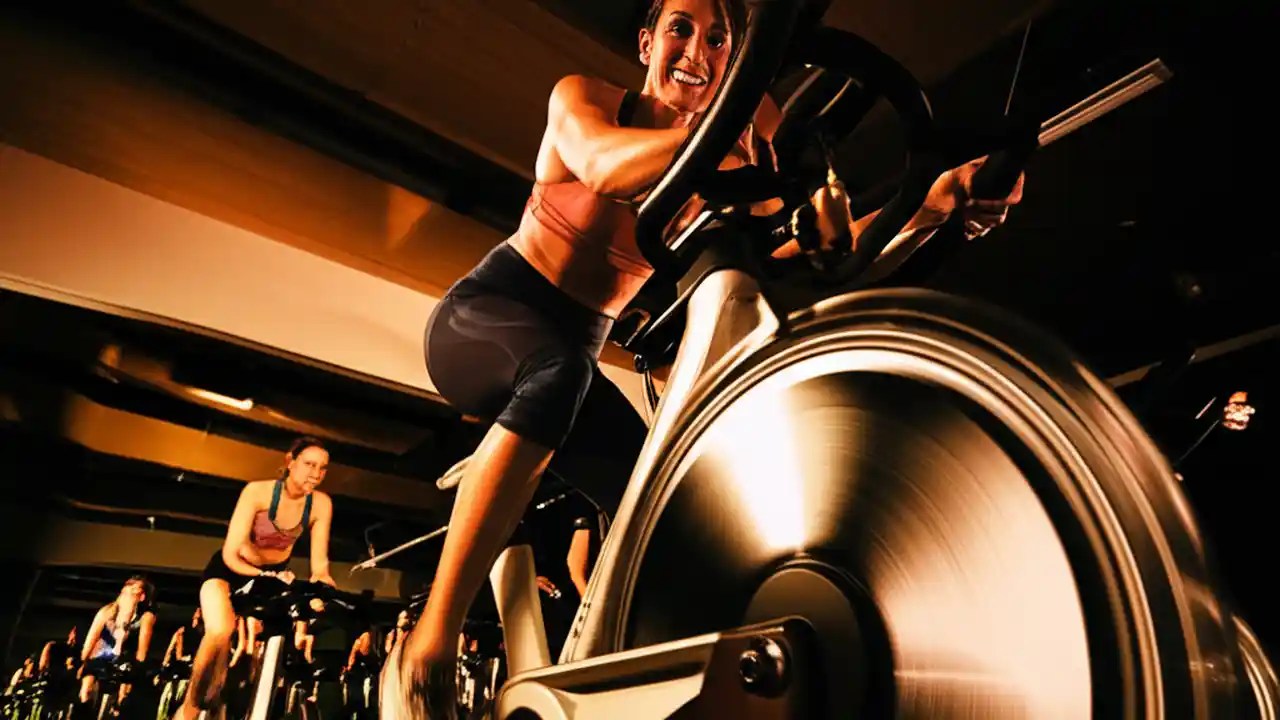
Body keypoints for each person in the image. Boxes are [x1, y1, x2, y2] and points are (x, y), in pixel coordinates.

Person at [382, 1, 1024, 716]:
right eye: (682, 28)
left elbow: (786, 255)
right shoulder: (587, 99)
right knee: (556, 374)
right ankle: (432, 638)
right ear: (646, 41)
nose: (698, 50)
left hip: (573, 358)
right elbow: (602, 167)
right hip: (487, 316)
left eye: (720, 39)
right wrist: (723, 139)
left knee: (663, 510)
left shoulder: (721, 158)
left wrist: (932, 205)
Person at [174, 436, 337, 720]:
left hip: (271, 579)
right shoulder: (258, 492)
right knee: (221, 629)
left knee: (265, 647)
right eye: (310, 464)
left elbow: (320, 566)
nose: (316, 473)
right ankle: (189, 710)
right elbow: (231, 553)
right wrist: (264, 575)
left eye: (323, 468)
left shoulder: (321, 504)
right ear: (290, 462)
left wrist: (325, 589)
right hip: (230, 571)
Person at [78, 576, 156, 711]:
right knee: (87, 689)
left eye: (133, 590)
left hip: (126, 661)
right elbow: (91, 640)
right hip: (101, 658)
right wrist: (82, 663)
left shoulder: (146, 617)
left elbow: (142, 652)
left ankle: (118, 707)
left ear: (142, 596)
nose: (127, 594)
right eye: (126, 590)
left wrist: (134, 674)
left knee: (124, 696)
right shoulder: (107, 611)